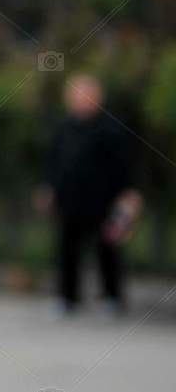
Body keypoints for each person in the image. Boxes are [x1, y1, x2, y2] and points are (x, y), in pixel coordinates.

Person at [38, 74, 139, 316]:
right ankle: (67, 298)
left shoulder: (112, 129)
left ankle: (112, 297)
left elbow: (125, 168)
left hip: (104, 201)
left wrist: (128, 198)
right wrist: (47, 189)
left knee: (107, 249)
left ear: (97, 97)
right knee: (67, 250)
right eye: (76, 95)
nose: (81, 100)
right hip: (70, 200)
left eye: (86, 95)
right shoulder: (64, 128)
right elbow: (53, 162)